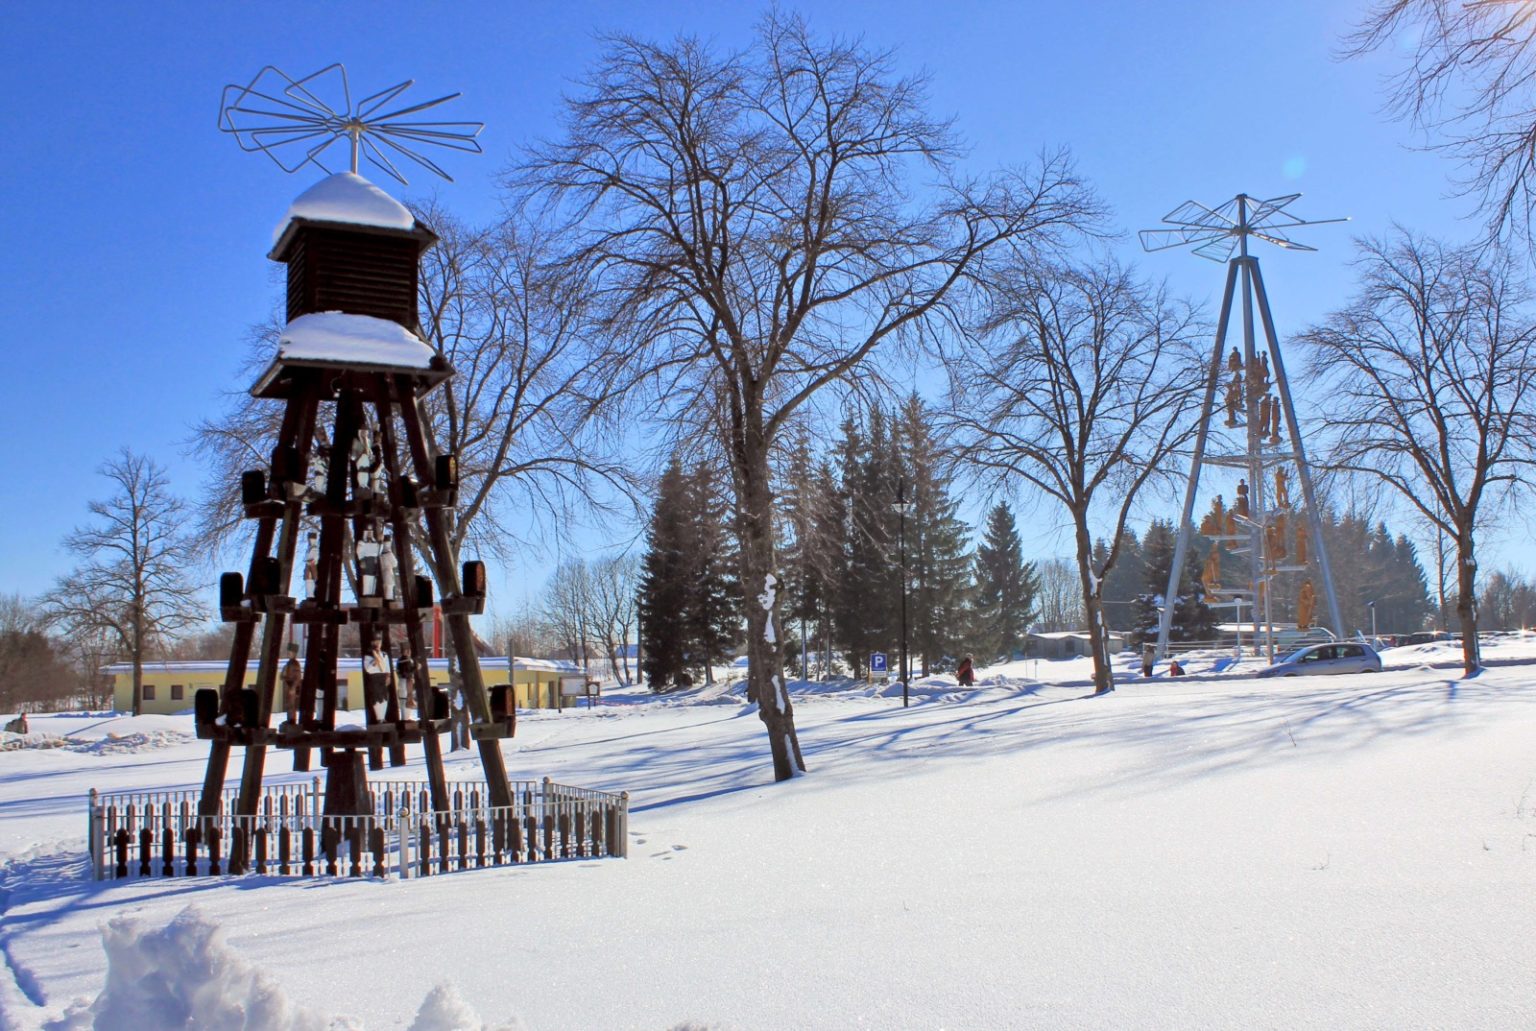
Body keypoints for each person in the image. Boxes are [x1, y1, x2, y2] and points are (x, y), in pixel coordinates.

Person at [281, 642, 302, 725]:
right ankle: (289, 719)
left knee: (291, 705)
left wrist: (293, 687)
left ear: (294, 653)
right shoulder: (289, 663)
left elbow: (297, 677)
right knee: (288, 704)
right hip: (288, 685)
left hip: (292, 686)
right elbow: (283, 674)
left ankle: (291, 720)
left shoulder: (295, 664)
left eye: (290, 652)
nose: (288, 654)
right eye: (288, 652)